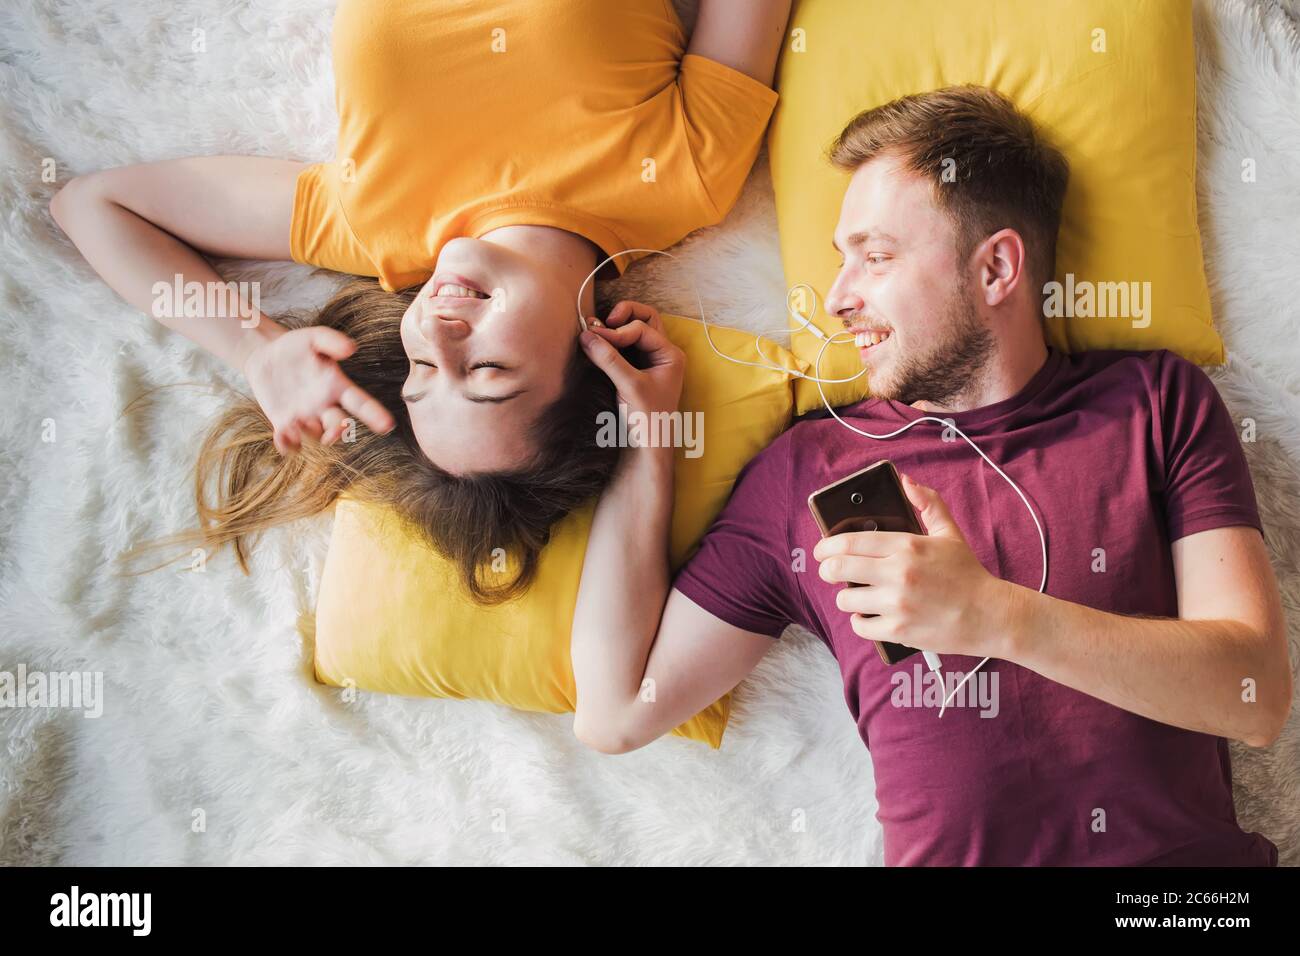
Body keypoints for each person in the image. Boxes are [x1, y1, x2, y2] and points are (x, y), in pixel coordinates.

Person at [569, 85, 1291, 865]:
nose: (840, 297)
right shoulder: (807, 469)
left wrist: (991, 615)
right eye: (842, 259)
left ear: (996, 268)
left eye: (876, 257)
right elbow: (614, 714)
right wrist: (648, 440)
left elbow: (1254, 697)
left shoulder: (1154, 404)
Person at [48, 0, 790, 601]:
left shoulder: (374, 228)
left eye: (422, 372)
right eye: (489, 370)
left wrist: (255, 347)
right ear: (599, 344)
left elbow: (92, 207)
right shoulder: (685, 176)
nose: (438, 333)